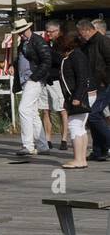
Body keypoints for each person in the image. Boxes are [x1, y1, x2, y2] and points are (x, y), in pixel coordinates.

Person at [12, 19, 52, 156]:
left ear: (28, 29)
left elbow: (47, 61)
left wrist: (35, 77)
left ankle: (28, 145)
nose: (21, 35)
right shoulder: (25, 42)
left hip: (34, 80)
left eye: (22, 32)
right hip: (28, 80)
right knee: (33, 113)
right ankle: (42, 145)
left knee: (24, 109)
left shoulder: (38, 41)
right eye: (19, 33)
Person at [77, 18, 110, 161]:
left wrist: (105, 81)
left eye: (80, 33)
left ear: (86, 30)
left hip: (105, 84)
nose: (80, 36)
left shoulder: (102, 41)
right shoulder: (89, 44)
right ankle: (99, 150)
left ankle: (103, 147)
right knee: (96, 117)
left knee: (94, 115)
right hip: (95, 85)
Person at [59, 32, 92, 169]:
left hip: (78, 96)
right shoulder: (75, 55)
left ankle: (78, 159)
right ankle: (82, 159)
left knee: (74, 126)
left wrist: (77, 97)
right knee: (80, 127)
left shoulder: (76, 56)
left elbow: (82, 78)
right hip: (76, 95)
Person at [38, 20, 66, 151]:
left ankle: (64, 138)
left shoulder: (62, 42)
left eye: (50, 32)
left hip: (56, 79)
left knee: (62, 110)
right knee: (45, 109)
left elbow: (61, 60)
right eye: (47, 31)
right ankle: (48, 138)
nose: (48, 34)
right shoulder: (46, 42)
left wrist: (48, 50)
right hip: (45, 79)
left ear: (57, 31)